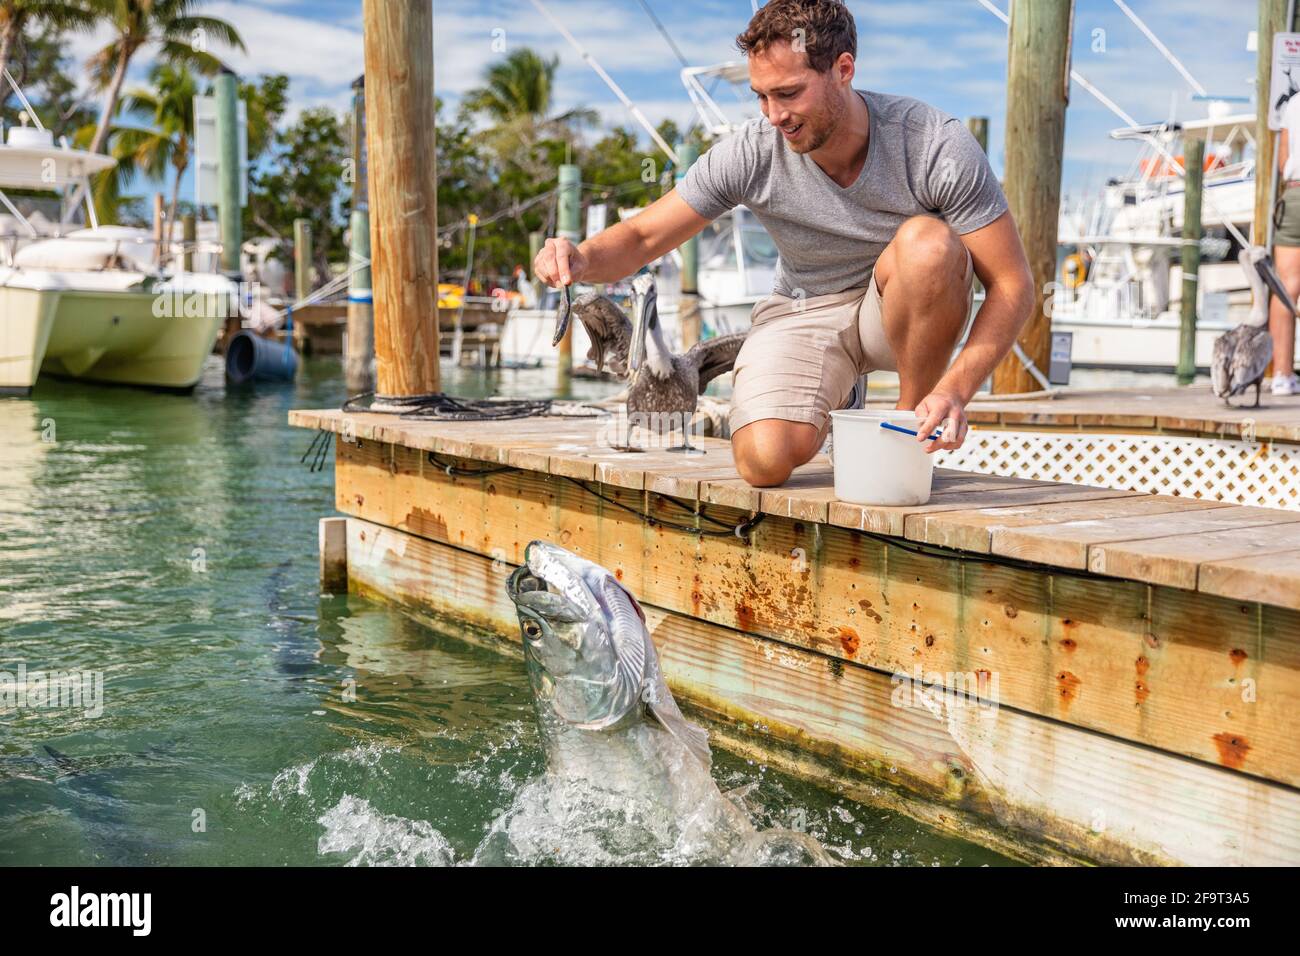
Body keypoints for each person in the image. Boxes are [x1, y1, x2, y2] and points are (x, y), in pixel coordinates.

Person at [533, 0, 1034, 487]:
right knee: (763, 463)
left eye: (790, 93)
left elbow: (1012, 285)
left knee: (930, 244)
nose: (774, 115)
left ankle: (907, 430)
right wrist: (580, 258)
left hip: (896, 306)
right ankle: (836, 400)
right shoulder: (752, 151)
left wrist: (955, 389)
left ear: (843, 69)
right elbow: (643, 234)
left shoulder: (934, 144)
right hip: (804, 309)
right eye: (761, 96)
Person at [1271, 90, 1300, 395]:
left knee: (1286, 286)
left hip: (1294, 192)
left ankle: (1282, 375)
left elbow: (1283, 161)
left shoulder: (1294, 103)